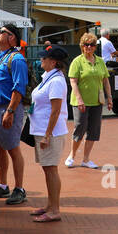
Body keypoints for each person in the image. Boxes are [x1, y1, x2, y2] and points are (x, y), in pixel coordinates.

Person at [0, 24, 29, 207]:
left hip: (7, 108)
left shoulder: (17, 59)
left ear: (12, 38)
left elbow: (19, 88)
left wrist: (10, 111)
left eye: (2, 32)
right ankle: (3, 184)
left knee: (12, 148)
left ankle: (19, 188)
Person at [29, 44, 69, 223]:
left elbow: (55, 110)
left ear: (53, 62)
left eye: (43, 58)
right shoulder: (48, 77)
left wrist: (47, 134)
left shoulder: (56, 81)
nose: (40, 61)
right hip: (43, 129)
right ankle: (50, 205)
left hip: (50, 132)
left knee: (51, 169)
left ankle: (55, 209)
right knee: (47, 169)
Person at [67, 33, 112, 169]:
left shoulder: (100, 61)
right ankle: (72, 155)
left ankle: (86, 159)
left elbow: (106, 81)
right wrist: (79, 99)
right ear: (82, 46)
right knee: (80, 128)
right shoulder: (77, 61)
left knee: (94, 130)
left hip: (97, 101)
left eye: (92, 45)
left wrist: (109, 98)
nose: (89, 47)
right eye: (86, 44)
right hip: (81, 102)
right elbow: (73, 82)